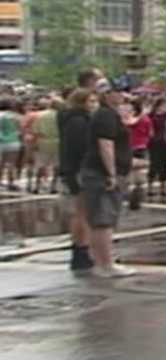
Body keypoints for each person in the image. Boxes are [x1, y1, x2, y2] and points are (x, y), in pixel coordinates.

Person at [79, 80, 136, 278]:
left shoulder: (108, 114)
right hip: (101, 173)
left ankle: (102, 262)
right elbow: (106, 145)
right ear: (107, 94)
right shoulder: (106, 115)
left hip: (100, 171)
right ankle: (106, 264)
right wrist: (111, 173)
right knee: (104, 219)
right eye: (117, 91)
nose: (122, 95)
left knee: (101, 219)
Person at [59, 88, 97, 272]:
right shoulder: (79, 122)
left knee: (80, 212)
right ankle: (82, 250)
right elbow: (81, 148)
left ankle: (81, 248)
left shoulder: (70, 119)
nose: (93, 105)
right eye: (91, 101)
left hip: (73, 169)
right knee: (82, 212)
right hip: (79, 170)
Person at [123, 97, 153, 211]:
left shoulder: (126, 119)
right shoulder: (145, 119)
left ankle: (128, 193)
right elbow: (150, 133)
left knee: (128, 171)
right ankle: (137, 194)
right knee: (139, 172)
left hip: (128, 146)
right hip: (141, 146)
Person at [30, 98, 60, 195]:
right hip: (58, 142)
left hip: (42, 141)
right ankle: (53, 186)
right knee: (56, 166)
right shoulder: (61, 116)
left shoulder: (40, 115)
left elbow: (35, 131)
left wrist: (34, 144)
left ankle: (37, 186)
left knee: (40, 165)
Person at [147, 97, 166, 200]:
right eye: (165, 105)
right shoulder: (152, 115)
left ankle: (161, 187)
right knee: (155, 163)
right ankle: (153, 187)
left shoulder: (162, 115)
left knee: (162, 164)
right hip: (157, 141)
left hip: (160, 141)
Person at [0, 99, 21, 191]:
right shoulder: (16, 116)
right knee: (11, 164)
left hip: (1, 141)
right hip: (14, 141)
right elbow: (20, 129)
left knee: (1, 163)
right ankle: (11, 182)